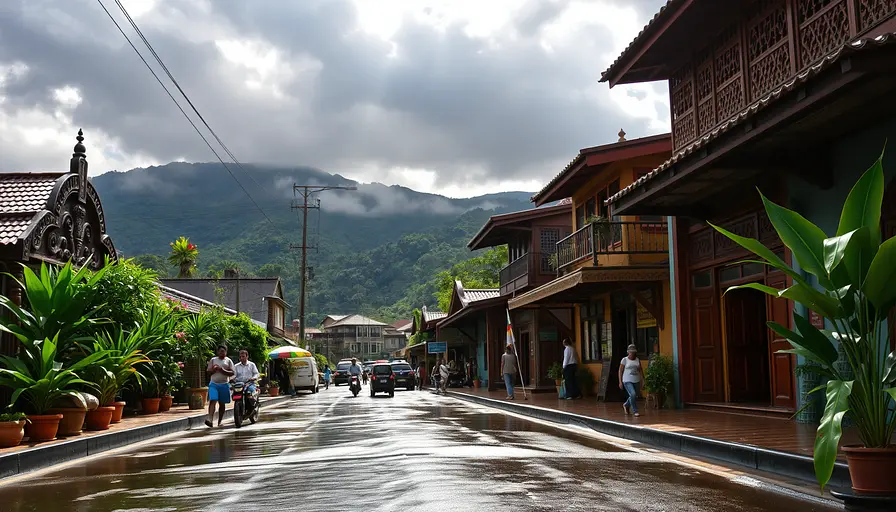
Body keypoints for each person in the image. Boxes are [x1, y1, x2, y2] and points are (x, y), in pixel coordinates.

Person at [206, 345, 234, 428]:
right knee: (213, 400)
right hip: (214, 384)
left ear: (226, 352)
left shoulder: (228, 361)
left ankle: (220, 421)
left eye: (224, 351)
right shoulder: (213, 360)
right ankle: (210, 419)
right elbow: (208, 371)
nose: (222, 353)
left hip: (224, 384)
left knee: (222, 403)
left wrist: (222, 370)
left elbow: (232, 372)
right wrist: (214, 370)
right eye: (220, 351)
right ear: (217, 352)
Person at [619, 344, 645, 417]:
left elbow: (640, 370)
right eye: (631, 352)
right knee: (632, 394)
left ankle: (626, 404)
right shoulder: (624, 360)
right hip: (627, 380)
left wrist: (643, 380)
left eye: (633, 352)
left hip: (636, 380)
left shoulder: (637, 360)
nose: (632, 354)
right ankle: (635, 411)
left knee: (634, 395)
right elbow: (620, 371)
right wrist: (620, 382)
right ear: (628, 352)